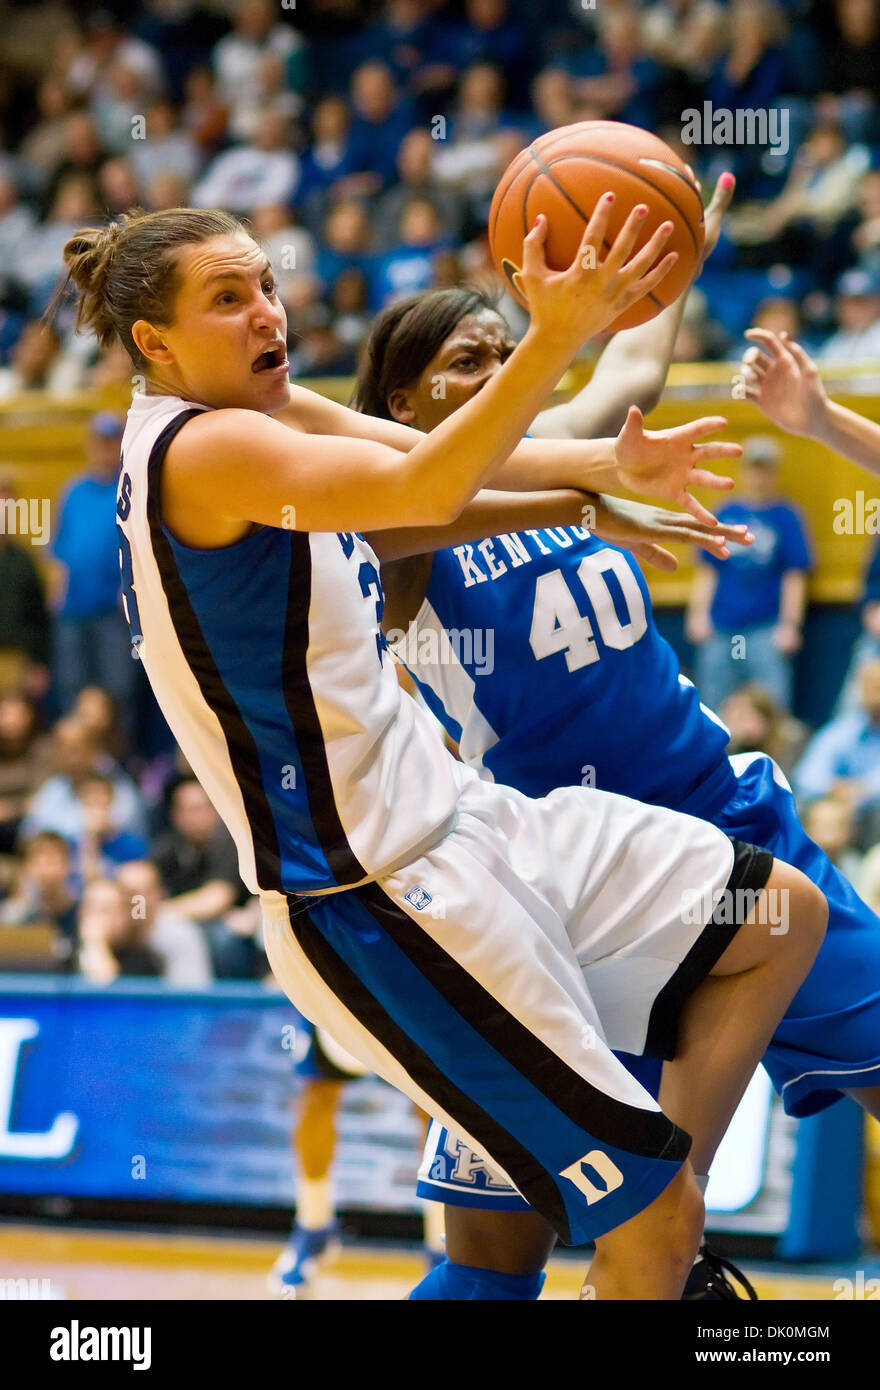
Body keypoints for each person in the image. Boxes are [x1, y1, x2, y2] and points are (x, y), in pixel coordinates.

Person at [49, 201, 826, 1301]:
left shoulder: (256, 416)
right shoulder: (206, 446)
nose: (265, 310)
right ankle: (654, 1236)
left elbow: (418, 468)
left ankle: (651, 1223)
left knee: (773, 913)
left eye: (265, 282)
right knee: (645, 1220)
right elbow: (425, 486)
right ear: (153, 344)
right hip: (375, 891)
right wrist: (557, 336)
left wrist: (598, 485)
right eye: (227, 298)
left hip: (470, 822)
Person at [329, 203, 880, 1301]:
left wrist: (668, 252)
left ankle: (655, 1262)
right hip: (566, 892)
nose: (494, 366)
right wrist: (577, 492)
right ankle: (653, 1260)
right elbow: (399, 510)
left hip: (726, 829)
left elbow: (631, 352)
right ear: (400, 406)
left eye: (502, 347)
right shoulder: (396, 528)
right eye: (464, 360)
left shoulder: (559, 454)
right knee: (491, 1258)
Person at [686, 433, 813, 713]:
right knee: (714, 704)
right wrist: (698, 615)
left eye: (765, 469)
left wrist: (790, 625)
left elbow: (795, 575)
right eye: (754, 468)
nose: (759, 477)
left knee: (773, 705)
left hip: (766, 629)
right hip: (721, 627)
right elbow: (708, 570)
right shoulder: (725, 512)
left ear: (774, 473)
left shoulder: (787, 516)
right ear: (744, 472)